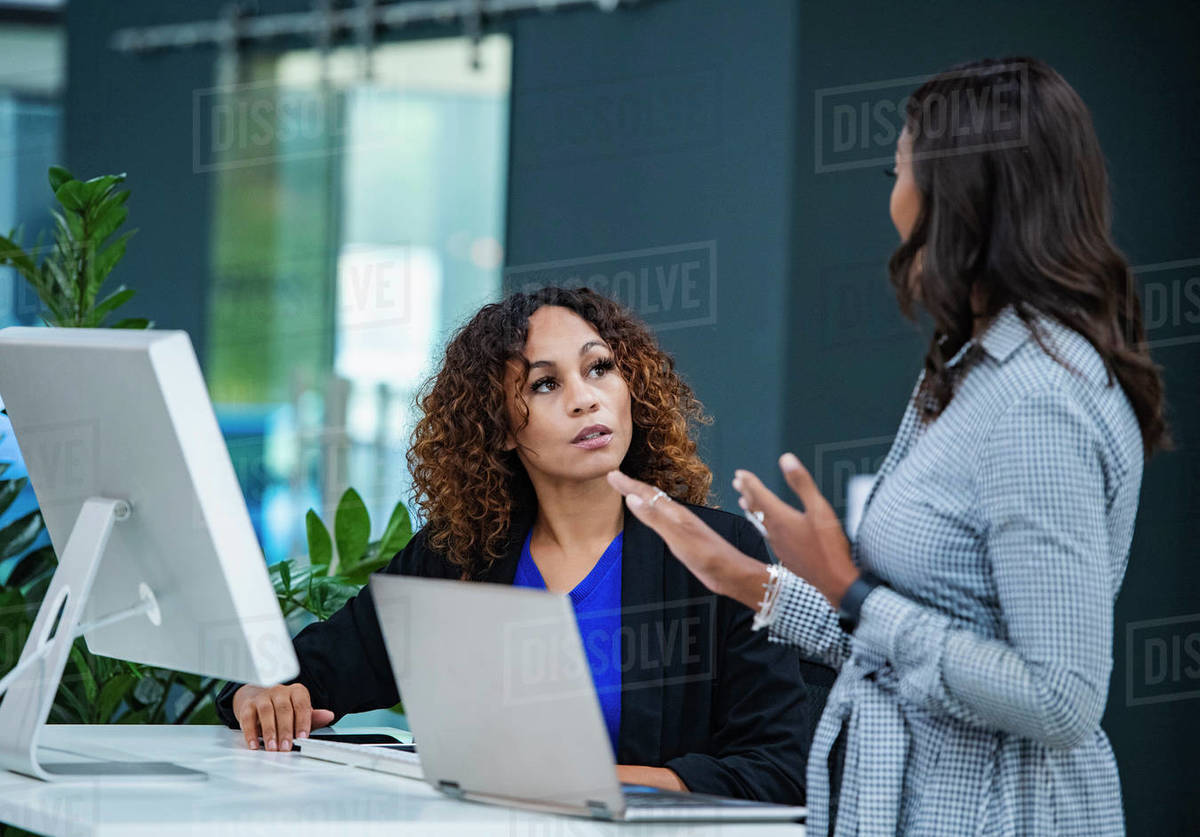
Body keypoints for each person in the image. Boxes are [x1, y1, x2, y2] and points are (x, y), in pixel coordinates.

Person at [608, 57, 1166, 835]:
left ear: (958, 193)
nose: (892, 194)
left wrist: (851, 588)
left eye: (898, 169)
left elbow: (1061, 697)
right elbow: (906, 643)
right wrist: (747, 579)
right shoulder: (969, 368)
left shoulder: (1038, 404)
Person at [215, 286, 811, 803]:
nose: (585, 398)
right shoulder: (457, 556)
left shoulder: (720, 552)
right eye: (546, 383)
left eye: (599, 368)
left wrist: (587, 782)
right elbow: (310, 672)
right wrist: (259, 694)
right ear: (497, 428)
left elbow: (778, 772)